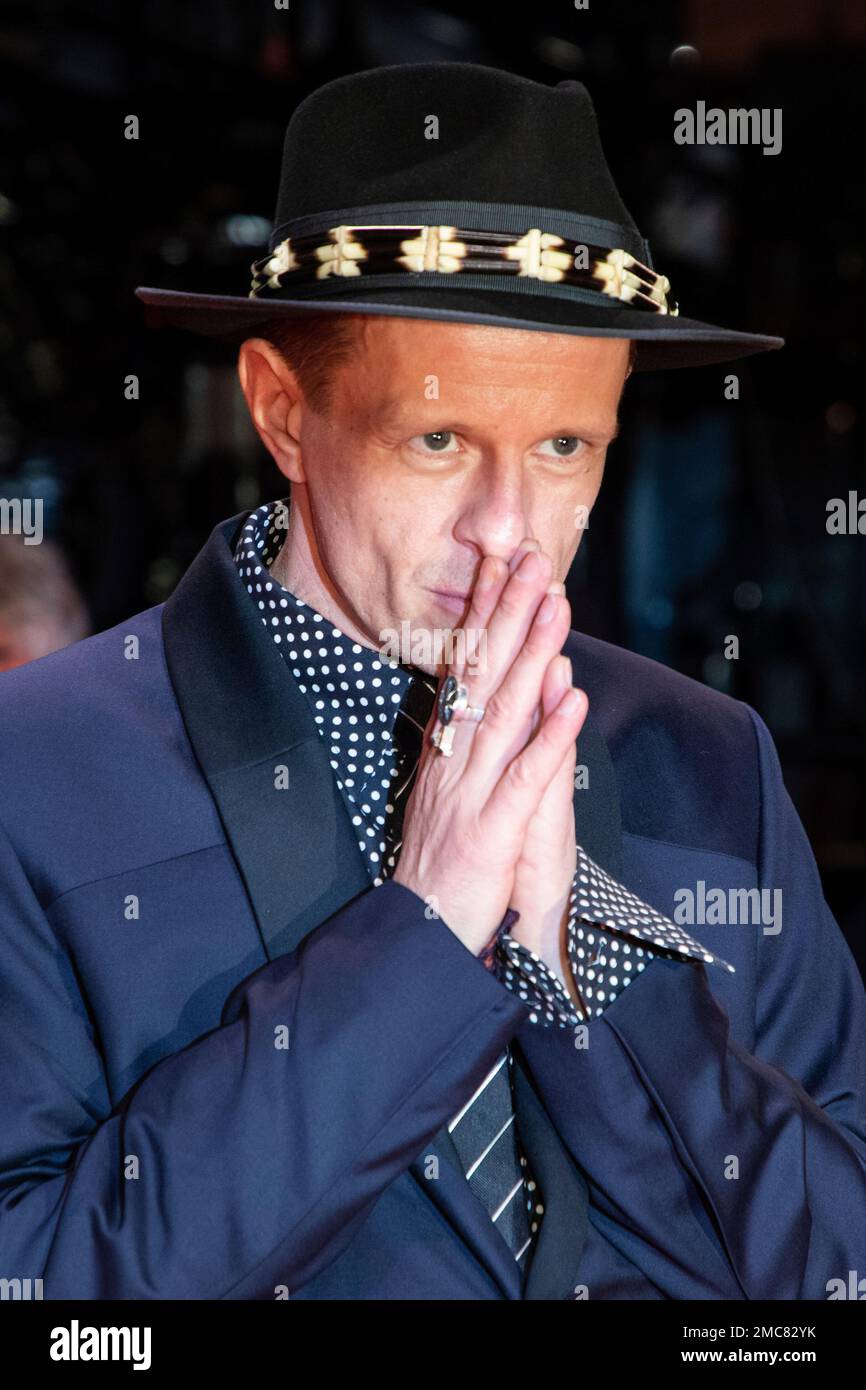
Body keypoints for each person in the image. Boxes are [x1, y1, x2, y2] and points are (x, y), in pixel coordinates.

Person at [0, 61, 863, 1301]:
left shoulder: (710, 758)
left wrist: (588, 976)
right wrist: (422, 937)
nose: (507, 530)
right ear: (281, 412)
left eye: (565, 447)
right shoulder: (34, 774)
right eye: (439, 441)